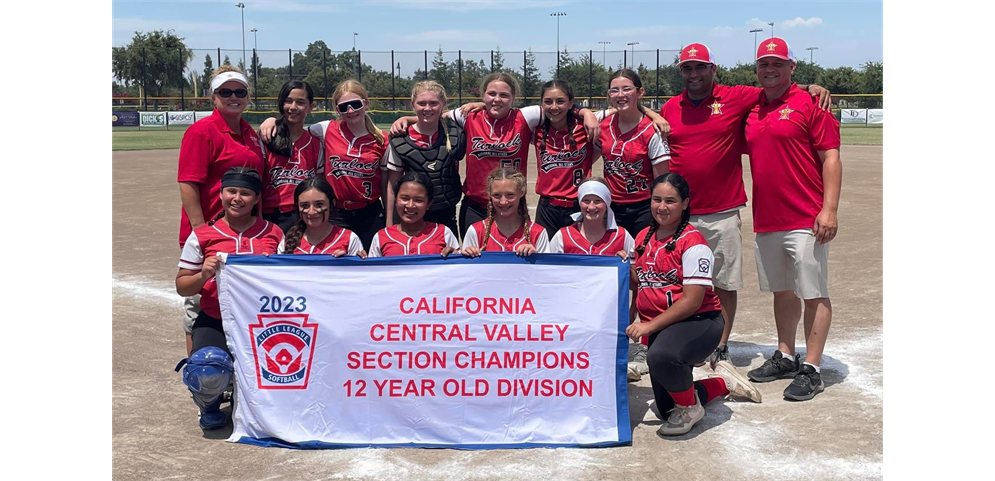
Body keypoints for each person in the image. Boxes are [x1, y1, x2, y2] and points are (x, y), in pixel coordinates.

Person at [659, 43, 832, 368]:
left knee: (723, 282)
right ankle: (683, 339)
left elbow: (777, 88)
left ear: (713, 69)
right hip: (683, 215)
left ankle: (722, 344)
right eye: (687, 68)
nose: (693, 73)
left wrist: (811, 88)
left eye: (700, 67)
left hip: (726, 211)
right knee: (677, 281)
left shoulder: (737, 97)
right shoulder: (670, 108)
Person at [743, 38, 842, 402]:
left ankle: (812, 368)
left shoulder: (811, 103)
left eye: (777, 64)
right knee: (782, 291)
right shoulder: (752, 108)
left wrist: (828, 209)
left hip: (806, 216)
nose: (770, 70)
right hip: (768, 217)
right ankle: (786, 355)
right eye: (763, 64)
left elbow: (831, 157)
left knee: (813, 292)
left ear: (791, 67)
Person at [627, 173, 762, 437]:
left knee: (661, 357)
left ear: (685, 203)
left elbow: (692, 301)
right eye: (657, 199)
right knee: (666, 409)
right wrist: (623, 265)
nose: (662, 207)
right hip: (666, 326)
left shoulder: (693, 243)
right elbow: (641, 280)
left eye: (671, 201)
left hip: (700, 322)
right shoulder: (643, 237)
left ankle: (690, 408)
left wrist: (648, 327)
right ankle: (722, 383)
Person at [391, 73, 601, 240]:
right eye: (491, 94)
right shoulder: (468, 116)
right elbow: (433, 115)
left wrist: (586, 113)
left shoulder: (525, 116)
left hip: (511, 204)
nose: (497, 99)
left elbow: (558, 106)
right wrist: (407, 118)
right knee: (476, 259)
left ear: (513, 98)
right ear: (483, 95)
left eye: (504, 95)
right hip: (476, 205)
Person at [173, 167, 284, 430]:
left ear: (257, 199)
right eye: (231, 191)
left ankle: (246, 400)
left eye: (245, 193)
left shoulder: (273, 233)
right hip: (216, 319)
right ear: (221, 194)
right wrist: (203, 274)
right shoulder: (203, 235)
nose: (237, 198)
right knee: (207, 366)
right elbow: (182, 287)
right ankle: (210, 403)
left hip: (262, 323)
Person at [176, 65, 265, 356]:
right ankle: (203, 381)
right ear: (213, 97)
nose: (233, 97)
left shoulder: (249, 132)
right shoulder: (202, 131)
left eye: (239, 92)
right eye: (225, 92)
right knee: (202, 307)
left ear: (248, 96)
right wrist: (203, 232)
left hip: (244, 231)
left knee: (241, 304)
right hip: (211, 232)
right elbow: (188, 184)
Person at [259, 80, 402, 250]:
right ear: (336, 109)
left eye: (355, 104)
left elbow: (387, 185)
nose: (350, 110)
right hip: (335, 213)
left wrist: (389, 223)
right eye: (343, 107)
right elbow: (294, 126)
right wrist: (271, 120)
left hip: (369, 213)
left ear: (366, 103)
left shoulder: (382, 140)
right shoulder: (326, 129)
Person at [387, 81, 465, 238]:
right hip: (411, 215)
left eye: (433, 103)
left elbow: (487, 108)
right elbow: (392, 186)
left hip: (445, 212)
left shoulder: (455, 131)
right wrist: (389, 227)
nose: (427, 108)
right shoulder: (400, 139)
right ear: (413, 104)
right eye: (421, 103)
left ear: (443, 104)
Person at [261, 80, 324, 234]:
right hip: (270, 215)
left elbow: (320, 185)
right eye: (288, 101)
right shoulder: (267, 137)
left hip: (304, 216)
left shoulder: (315, 143)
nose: (293, 107)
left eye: (300, 102)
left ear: (310, 107)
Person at [368, 171, 461, 257]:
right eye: (405, 198)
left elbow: (460, 271)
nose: (410, 205)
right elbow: (371, 271)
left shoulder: (444, 233)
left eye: (418, 200)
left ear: (429, 204)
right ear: (395, 200)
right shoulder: (381, 237)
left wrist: (457, 257)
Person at [460, 167, 548, 257]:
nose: (503, 202)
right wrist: (469, 256)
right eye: (496, 195)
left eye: (510, 195)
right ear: (489, 194)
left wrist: (536, 258)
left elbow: (547, 269)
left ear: (522, 193)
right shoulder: (475, 231)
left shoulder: (538, 232)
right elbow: (465, 270)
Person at [281, 177, 366, 258]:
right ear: (297, 206)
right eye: (305, 206)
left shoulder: (350, 239)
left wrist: (349, 261)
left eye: (319, 204)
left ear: (332, 203)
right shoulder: (286, 241)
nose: (312, 212)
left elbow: (359, 272)